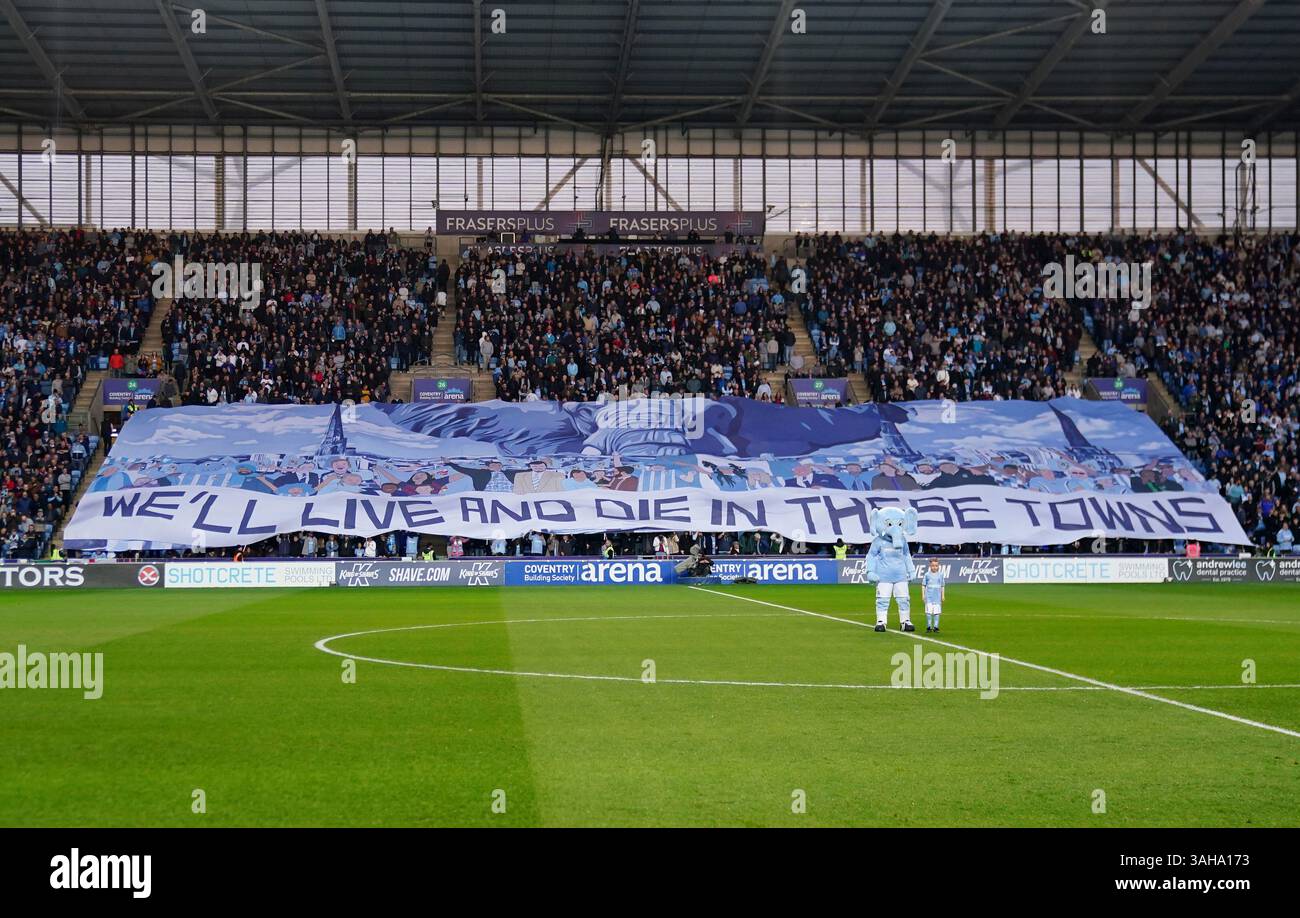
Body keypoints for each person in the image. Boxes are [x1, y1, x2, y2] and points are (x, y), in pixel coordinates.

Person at [922, 558, 946, 633]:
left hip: (937, 597)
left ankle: (936, 627)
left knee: (936, 612)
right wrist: (923, 595)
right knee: (928, 612)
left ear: (938, 566)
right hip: (929, 597)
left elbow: (942, 586)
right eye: (933, 566)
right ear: (930, 566)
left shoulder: (940, 575)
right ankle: (929, 626)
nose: (934, 567)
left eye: (936, 566)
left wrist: (943, 595)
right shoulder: (927, 575)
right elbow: (923, 585)